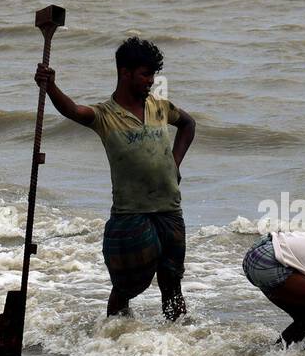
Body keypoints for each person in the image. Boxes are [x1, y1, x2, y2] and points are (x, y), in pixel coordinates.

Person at [35, 36, 196, 320]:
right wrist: (50, 87)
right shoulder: (105, 115)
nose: (151, 81)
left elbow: (188, 124)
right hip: (130, 215)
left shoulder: (159, 107)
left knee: (172, 282)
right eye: (146, 74)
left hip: (169, 210)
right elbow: (73, 111)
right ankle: (113, 339)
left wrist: (175, 163)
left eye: (153, 75)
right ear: (125, 73)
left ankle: (179, 342)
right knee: (125, 286)